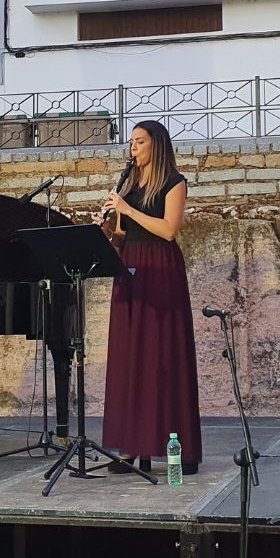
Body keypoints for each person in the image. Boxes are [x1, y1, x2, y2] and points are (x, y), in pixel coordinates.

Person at [100, 120, 202, 476]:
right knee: (131, 356)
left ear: (156, 146)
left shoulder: (174, 182)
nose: (133, 149)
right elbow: (125, 233)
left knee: (163, 354)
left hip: (160, 269)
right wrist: (110, 227)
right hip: (130, 266)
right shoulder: (129, 184)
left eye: (140, 142)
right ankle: (131, 446)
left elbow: (168, 230)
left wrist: (126, 210)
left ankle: (179, 448)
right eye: (131, 142)